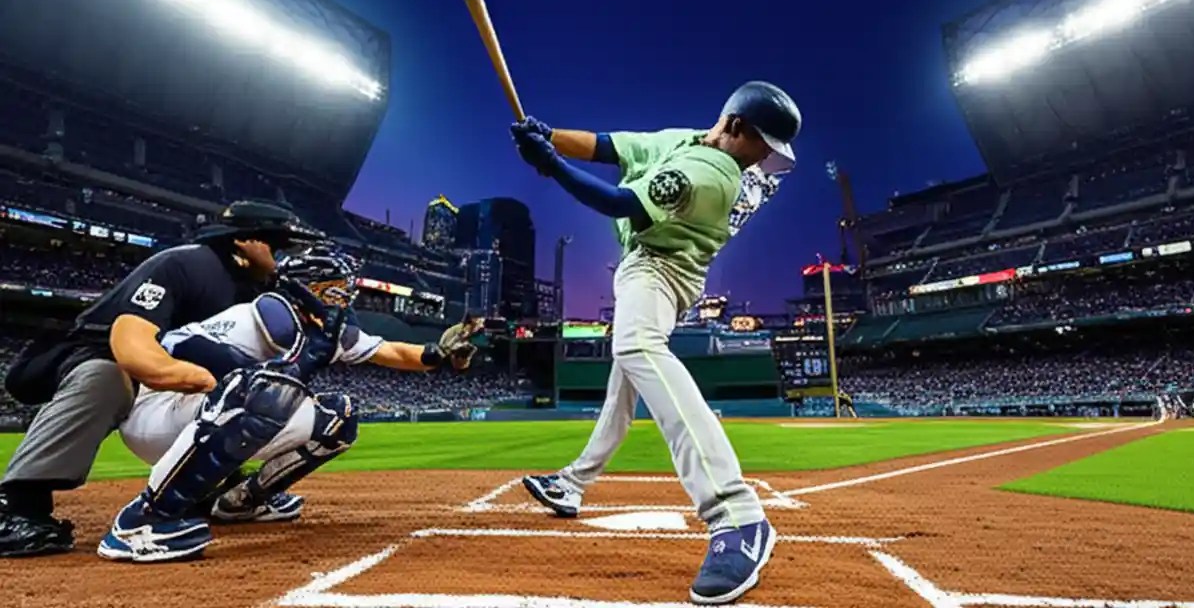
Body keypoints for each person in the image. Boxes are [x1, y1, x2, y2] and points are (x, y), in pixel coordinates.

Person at [510, 81, 800, 605]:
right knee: (623, 385)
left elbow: (619, 200)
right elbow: (606, 146)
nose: (763, 161)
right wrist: (547, 136)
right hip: (649, 266)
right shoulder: (679, 140)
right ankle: (573, 482)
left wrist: (549, 163)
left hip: (663, 270)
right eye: (763, 146)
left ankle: (735, 512)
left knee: (637, 348)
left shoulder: (713, 175)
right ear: (734, 125)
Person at [0, 201, 320, 558]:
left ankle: (215, 489)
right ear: (246, 242)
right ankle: (16, 505)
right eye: (280, 247)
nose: (287, 257)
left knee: (249, 391)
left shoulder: (254, 292)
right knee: (107, 376)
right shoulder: (189, 264)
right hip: (100, 352)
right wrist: (190, 375)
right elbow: (130, 340)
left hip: (168, 370)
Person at [98, 242, 448, 562]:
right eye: (335, 289)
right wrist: (306, 358)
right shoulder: (267, 315)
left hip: (209, 415)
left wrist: (443, 355)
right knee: (266, 391)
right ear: (310, 288)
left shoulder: (322, 329)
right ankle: (143, 520)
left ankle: (241, 502)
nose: (343, 298)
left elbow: (394, 351)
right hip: (158, 415)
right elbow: (202, 360)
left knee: (339, 416)